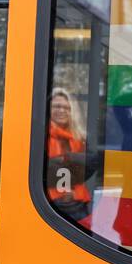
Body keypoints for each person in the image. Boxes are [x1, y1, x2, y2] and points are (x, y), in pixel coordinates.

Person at [45, 88, 94, 224]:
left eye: (67, 108)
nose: (62, 111)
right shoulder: (39, 134)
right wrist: (70, 161)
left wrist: (64, 161)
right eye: (57, 106)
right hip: (47, 204)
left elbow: (89, 166)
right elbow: (39, 170)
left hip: (78, 203)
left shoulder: (80, 136)